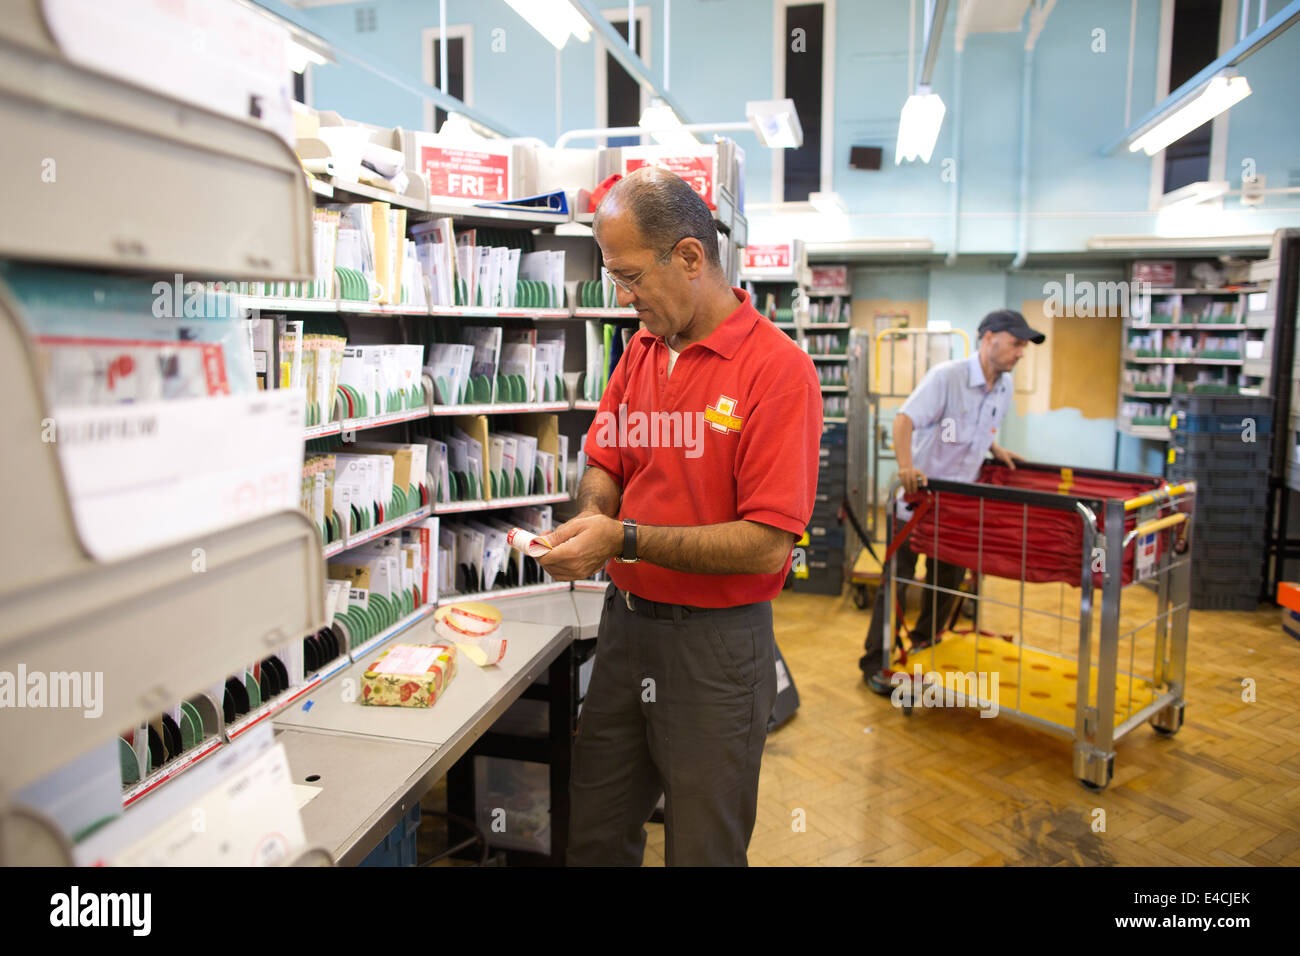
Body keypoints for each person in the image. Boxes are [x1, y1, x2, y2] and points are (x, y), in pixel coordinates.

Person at [538, 167, 822, 866]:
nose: (625, 297)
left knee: (703, 850)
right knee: (596, 833)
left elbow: (765, 546)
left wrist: (622, 538)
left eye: (631, 276)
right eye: (615, 280)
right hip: (626, 630)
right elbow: (606, 457)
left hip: (717, 651)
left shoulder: (779, 372)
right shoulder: (639, 353)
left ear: (691, 257)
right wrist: (592, 520)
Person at [860, 309, 1045, 696]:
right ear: (989, 338)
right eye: (1016, 343)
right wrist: (907, 467)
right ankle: (875, 662)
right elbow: (904, 420)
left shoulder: (1004, 387)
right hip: (919, 502)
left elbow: (976, 428)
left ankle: (926, 645)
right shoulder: (947, 377)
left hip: (960, 505)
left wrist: (995, 448)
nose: (1020, 353)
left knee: (948, 583)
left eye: (1024, 346)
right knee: (899, 580)